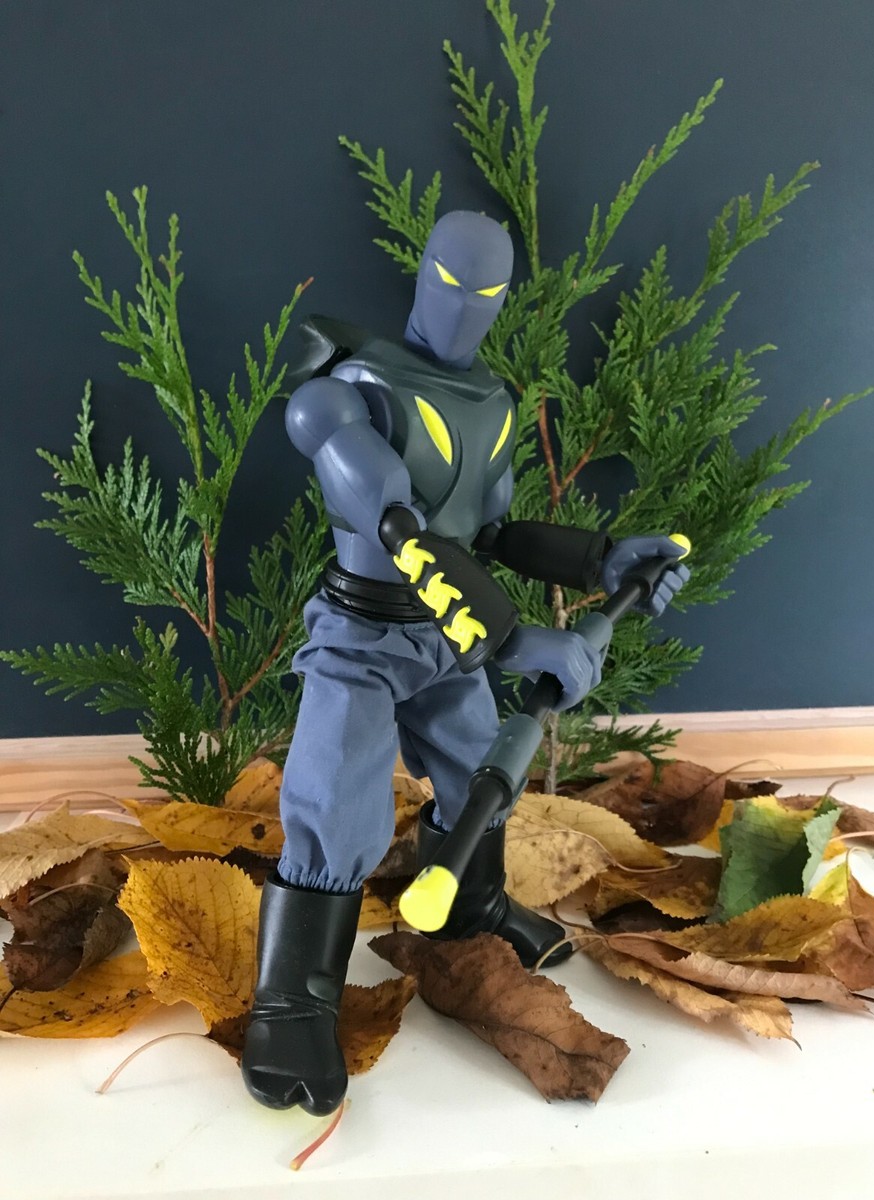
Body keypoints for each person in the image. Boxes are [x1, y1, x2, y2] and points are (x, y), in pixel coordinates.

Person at [241, 211, 688, 1116]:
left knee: (480, 766)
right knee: (337, 804)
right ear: (424, 276)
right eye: (451, 284)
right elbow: (401, 530)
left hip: (449, 637)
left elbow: (488, 533)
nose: (464, 308)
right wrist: (517, 642)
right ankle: (290, 1005)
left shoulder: (489, 402)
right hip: (364, 636)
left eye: (486, 294)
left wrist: (600, 559)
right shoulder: (347, 392)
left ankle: (468, 911)